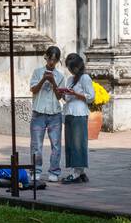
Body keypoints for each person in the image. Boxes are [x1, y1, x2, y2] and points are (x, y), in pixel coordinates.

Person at [29, 46, 66, 185]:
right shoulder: (37, 72)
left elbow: (59, 97)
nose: (52, 63)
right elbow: (33, 90)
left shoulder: (60, 76)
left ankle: (54, 171)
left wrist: (53, 82)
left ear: (57, 61)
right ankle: (35, 171)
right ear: (46, 57)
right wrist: (43, 79)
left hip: (55, 114)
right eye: (50, 59)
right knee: (36, 145)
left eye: (55, 60)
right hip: (38, 113)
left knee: (56, 145)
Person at [58, 52, 95, 184]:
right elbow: (67, 98)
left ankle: (76, 173)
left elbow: (91, 97)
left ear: (77, 66)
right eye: (68, 67)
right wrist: (63, 93)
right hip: (69, 112)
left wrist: (76, 94)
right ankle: (80, 172)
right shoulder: (70, 80)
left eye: (71, 67)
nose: (70, 70)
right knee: (71, 143)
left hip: (79, 112)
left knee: (79, 143)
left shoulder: (85, 78)